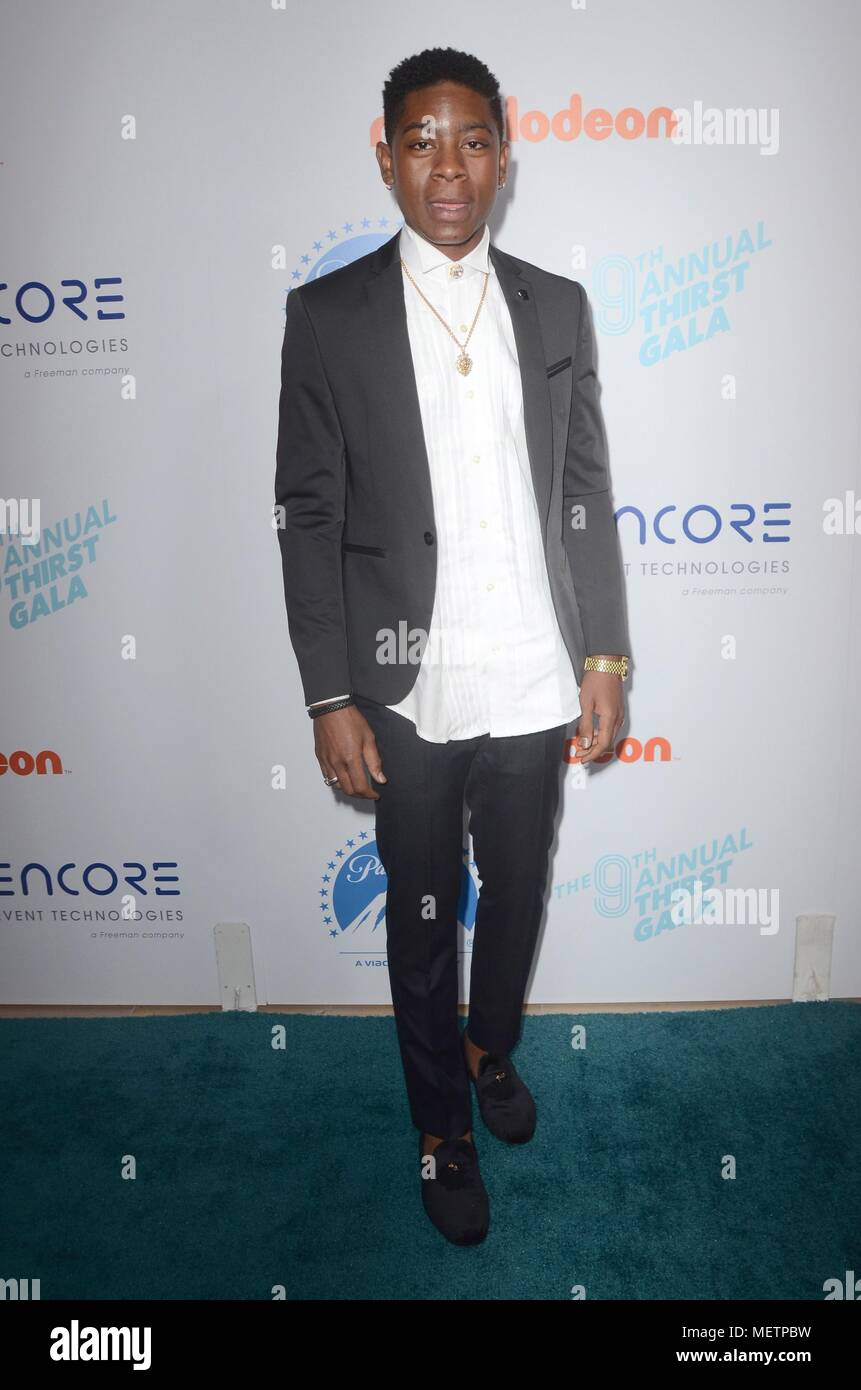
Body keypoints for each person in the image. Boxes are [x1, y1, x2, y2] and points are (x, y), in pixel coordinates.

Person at [274, 47, 631, 1245]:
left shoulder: (556, 305)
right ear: (384, 154)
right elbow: (309, 512)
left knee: (517, 897)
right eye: (421, 139)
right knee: (422, 919)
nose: (448, 165)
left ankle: (490, 1050)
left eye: (471, 138)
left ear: (504, 153)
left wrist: (606, 658)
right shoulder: (328, 316)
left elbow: (583, 491)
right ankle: (440, 1128)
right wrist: (330, 692)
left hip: (535, 673)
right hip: (406, 688)